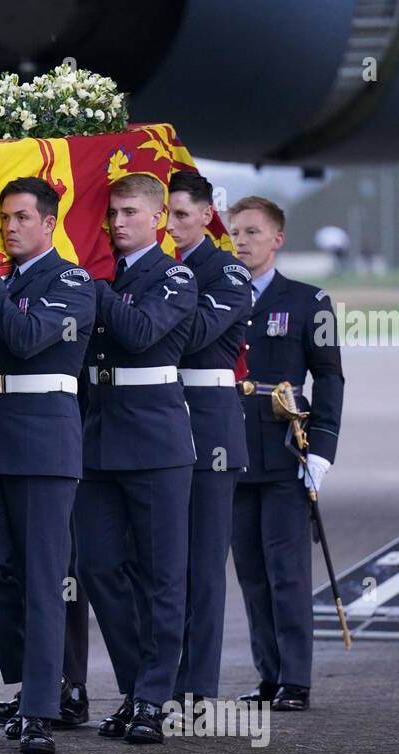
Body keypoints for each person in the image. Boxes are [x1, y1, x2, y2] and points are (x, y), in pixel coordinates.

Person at [75, 173, 198, 746]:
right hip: (100, 437)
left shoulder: (173, 275)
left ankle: (154, 697)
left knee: (161, 574)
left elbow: (142, 331)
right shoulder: (106, 275)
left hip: (154, 442)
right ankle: (134, 687)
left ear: (157, 218)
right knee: (100, 568)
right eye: (112, 214)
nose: (118, 223)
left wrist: (95, 286)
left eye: (129, 213)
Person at [0, 177, 95, 754]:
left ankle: (41, 708)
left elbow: (24, 339)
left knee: (44, 580)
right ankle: (29, 682)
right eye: (4, 218)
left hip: (44, 446)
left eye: (22, 217)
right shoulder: (2, 282)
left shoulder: (72, 282)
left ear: (49, 223)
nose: (10, 227)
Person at [227, 196, 344, 711]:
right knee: (251, 571)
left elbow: (330, 377)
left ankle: (296, 678)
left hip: (282, 448)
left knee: (287, 570)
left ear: (277, 239)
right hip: (230, 449)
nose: (242, 240)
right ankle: (269, 674)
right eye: (235, 231)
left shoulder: (308, 300)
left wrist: (321, 451)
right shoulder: (219, 295)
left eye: (253, 232)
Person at [165, 171, 253, 703]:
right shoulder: (152, 268)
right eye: (166, 214)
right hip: (160, 419)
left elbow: (194, 334)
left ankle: (196, 688)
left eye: (181, 214)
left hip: (209, 425)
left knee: (202, 566)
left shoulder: (227, 273)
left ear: (206, 216)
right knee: (161, 563)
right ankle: (159, 682)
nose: (171, 224)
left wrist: (151, 310)